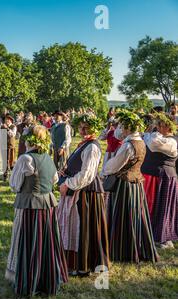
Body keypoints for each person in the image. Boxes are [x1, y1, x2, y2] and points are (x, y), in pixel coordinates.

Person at [6, 125, 68, 297]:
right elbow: (55, 179)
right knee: (45, 241)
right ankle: (44, 277)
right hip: (47, 205)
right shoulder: (47, 157)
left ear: (30, 139)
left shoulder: (26, 159)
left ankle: (29, 277)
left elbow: (14, 184)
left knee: (29, 241)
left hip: (30, 206)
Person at [101, 110, 158, 263]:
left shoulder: (128, 145)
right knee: (134, 216)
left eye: (122, 126)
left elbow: (113, 166)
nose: (120, 129)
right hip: (136, 183)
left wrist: (104, 171)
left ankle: (123, 250)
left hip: (125, 185)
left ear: (127, 128)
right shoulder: (141, 141)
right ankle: (136, 246)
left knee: (124, 216)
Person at [57, 113, 110, 276]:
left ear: (93, 128)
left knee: (83, 228)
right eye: (80, 127)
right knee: (72, 226)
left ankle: (83, 264)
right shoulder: (84, 144)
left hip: (86, 193)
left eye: (86, 127)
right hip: (77, 189)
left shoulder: (92, 147)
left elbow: (87, 174)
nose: (82, 129)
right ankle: (71, 262)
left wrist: (68, 183)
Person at [141, 113, 178, 249]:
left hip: (164, 177)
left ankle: (163, 237)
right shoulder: (155, 136)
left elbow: (152, 144)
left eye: (161, 125)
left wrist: (152, 131)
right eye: (158, 125)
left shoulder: (172, 141)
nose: (158, 127)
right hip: (151, 176)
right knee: (149, 206)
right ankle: (148, 234)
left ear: (169, 127)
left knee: (163, 208)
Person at [0, 115, 17, 181]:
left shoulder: (13, 126)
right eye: (6, 120)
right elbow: (0, 135)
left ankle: (13, 176)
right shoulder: (2, 126)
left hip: (11, 146)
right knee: (4, 161)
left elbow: (12, 135)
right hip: (4, 146)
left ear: (11, 120)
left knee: (11, 162)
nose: (7, 121)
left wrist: (7, 129)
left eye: (8, 120)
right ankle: (5, 175)